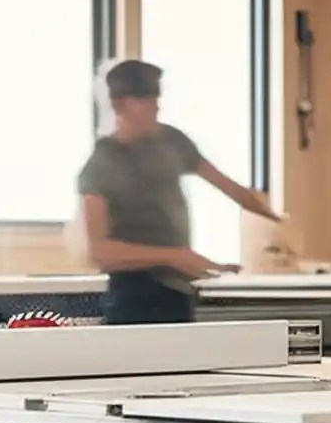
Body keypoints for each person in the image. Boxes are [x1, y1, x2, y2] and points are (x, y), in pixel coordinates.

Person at [76, 59, 283, 325]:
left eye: (156, 99)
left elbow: (229, 187)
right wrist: (175, 256)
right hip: (133, 298)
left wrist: (279, 225)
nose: (156, 108)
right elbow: (100, 252)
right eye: (146, 101)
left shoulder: (171, 141)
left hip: (179, 294)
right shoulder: (100, 165)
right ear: (119, 104)